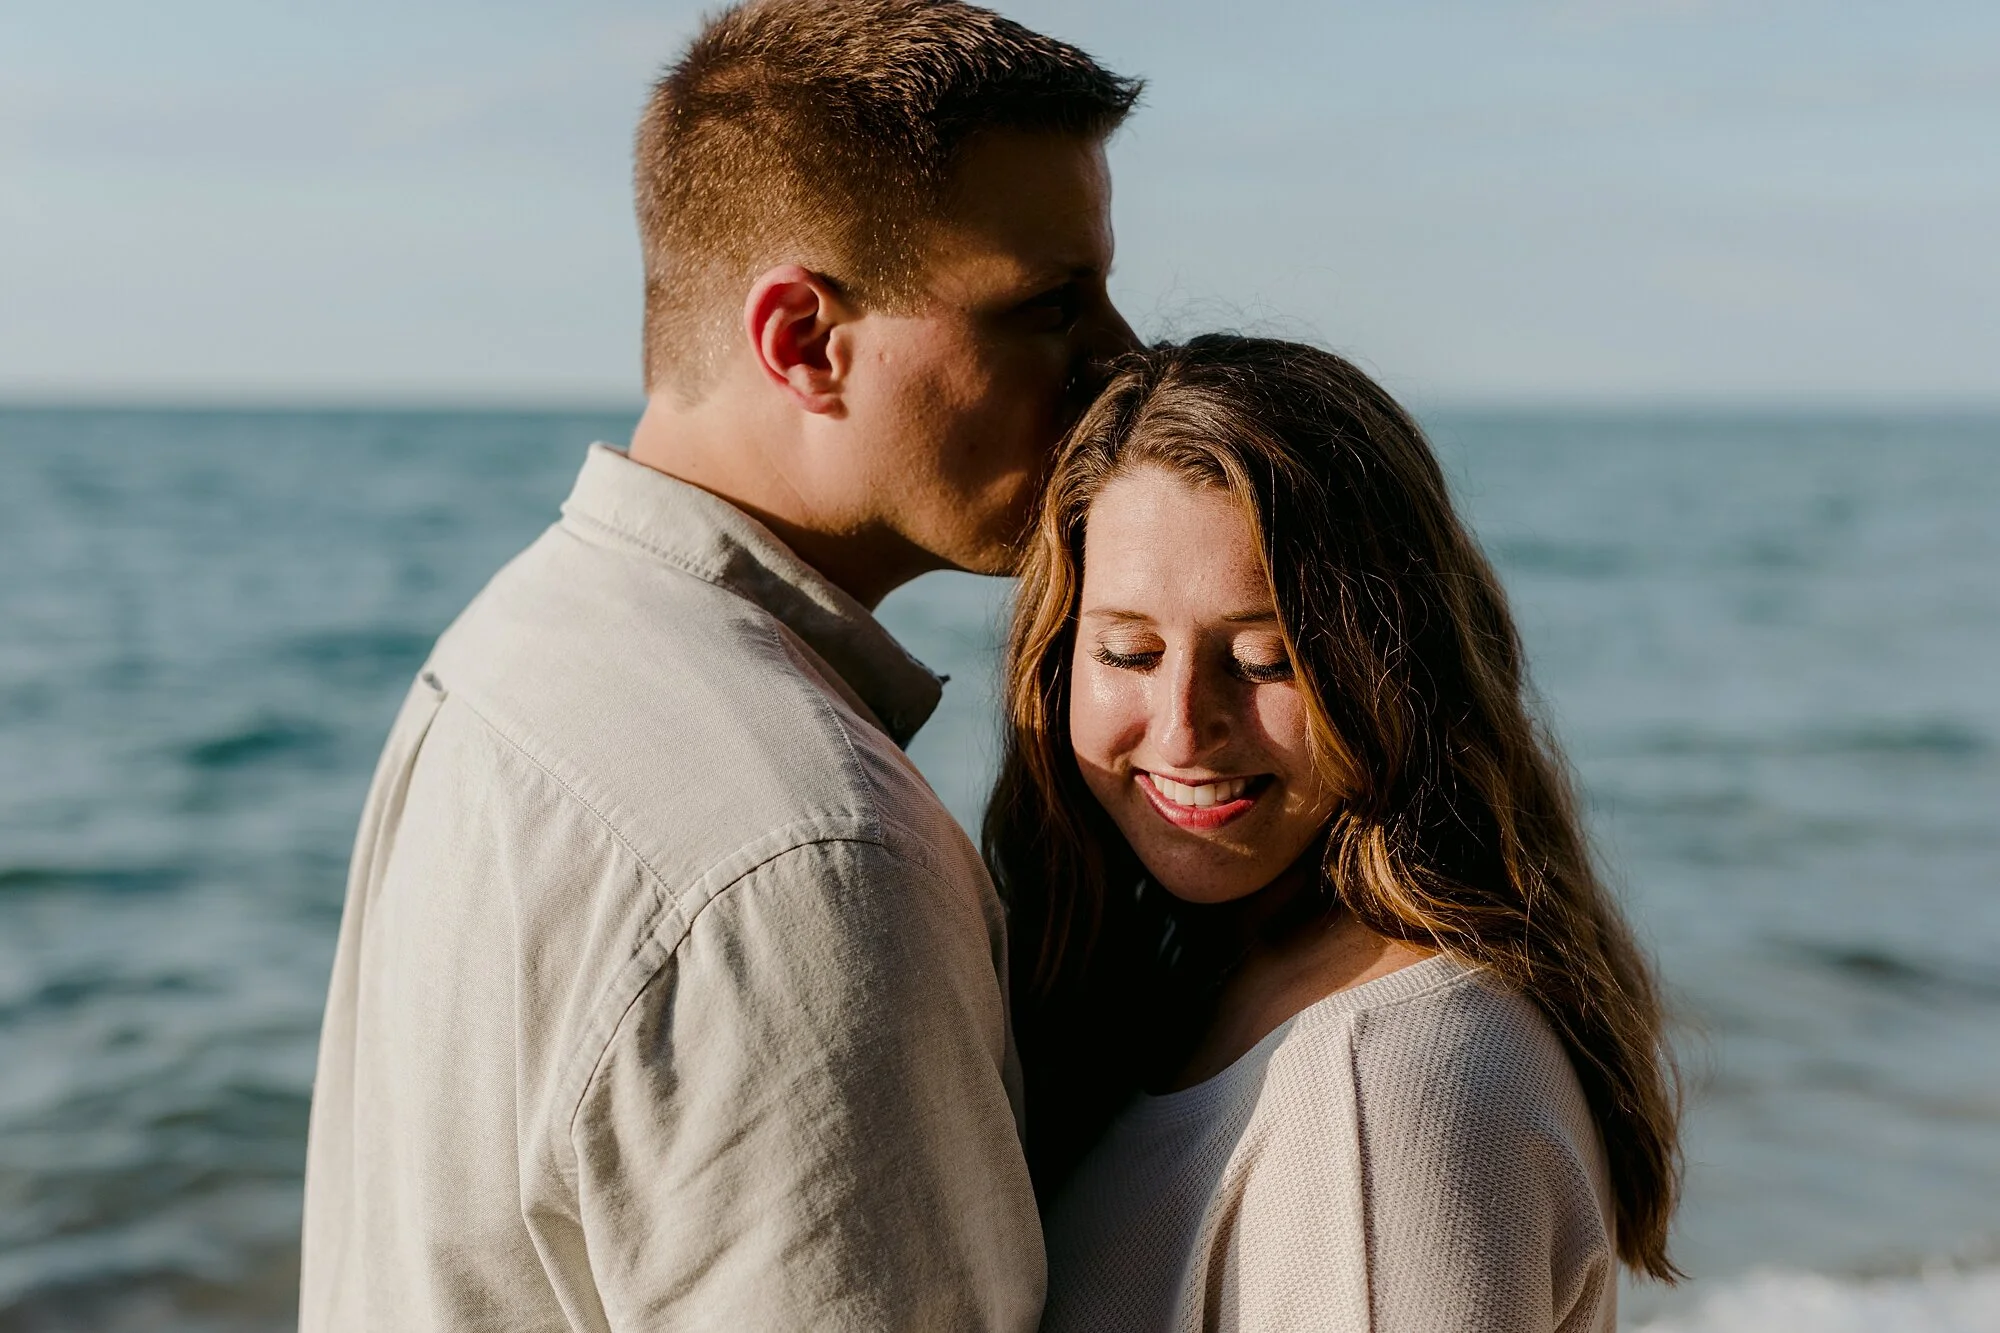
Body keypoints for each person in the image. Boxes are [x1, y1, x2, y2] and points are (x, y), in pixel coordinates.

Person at [298, 2, 1138, 1328]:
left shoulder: (510, 651)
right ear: (802, 340)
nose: (1123, 361)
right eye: (1049, 307)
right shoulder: (808, 853)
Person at [986, 336, 1683, 1331]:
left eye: (1265, 659)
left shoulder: (1384, 1088)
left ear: (1395, 666)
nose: (1184, 726)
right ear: (1054, 664)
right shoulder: (1203, 979)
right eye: (1128, 650)